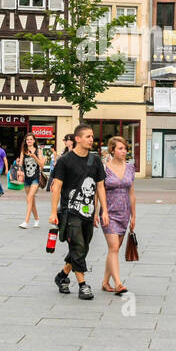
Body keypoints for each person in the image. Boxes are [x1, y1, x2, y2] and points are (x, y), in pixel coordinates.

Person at [49, 123, 108, 301]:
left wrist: (102, 211)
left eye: (92, 136)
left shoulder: (95, 160)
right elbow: (57, 187)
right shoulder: (65, 160)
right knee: (78, 246)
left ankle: (61, 276)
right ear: (77, 139)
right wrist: (53, 212)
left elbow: (100, 187)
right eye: (88, 136)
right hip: (70, 211)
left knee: (83, 247)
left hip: (88, 212)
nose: (92, 139)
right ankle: (83, 285)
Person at [100, 136, 135, 295]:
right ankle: (119, 283)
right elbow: (98, 191)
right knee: (113, 247)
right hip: (109, 212)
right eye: (120, 148)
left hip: (124, 213)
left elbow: (132, 193)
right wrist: (100, 211)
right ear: (112, 150)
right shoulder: (104, 168)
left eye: (125, 148)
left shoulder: (130, 168)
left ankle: (106, 281)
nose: (124, 151)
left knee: (114, 249)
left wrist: (134, 216)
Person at [19, 133, 44, 228]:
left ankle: (26, 222)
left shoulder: (38, 151)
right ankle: (37, 219)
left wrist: (34, 157)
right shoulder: (23, 151)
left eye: (30, 139)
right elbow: (21, 164)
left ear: (34, 141)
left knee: (29, 198)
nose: (29, 141)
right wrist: (19, 170)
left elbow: (42, 165)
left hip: (35, 178)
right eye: (27, 140)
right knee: (31, 201)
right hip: (26, 179)